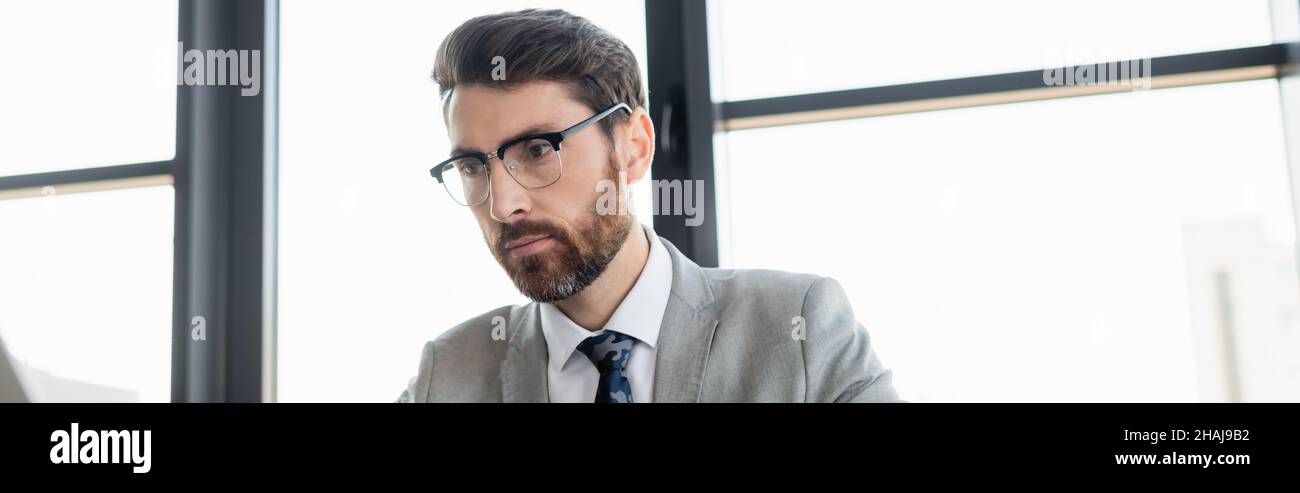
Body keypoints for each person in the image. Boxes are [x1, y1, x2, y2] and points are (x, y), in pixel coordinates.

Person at [399, 8, 898, 403]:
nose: (504, 204)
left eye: (536, 150)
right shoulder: (446, 375)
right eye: (472, 167)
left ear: (634, 146)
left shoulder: (800, 330)